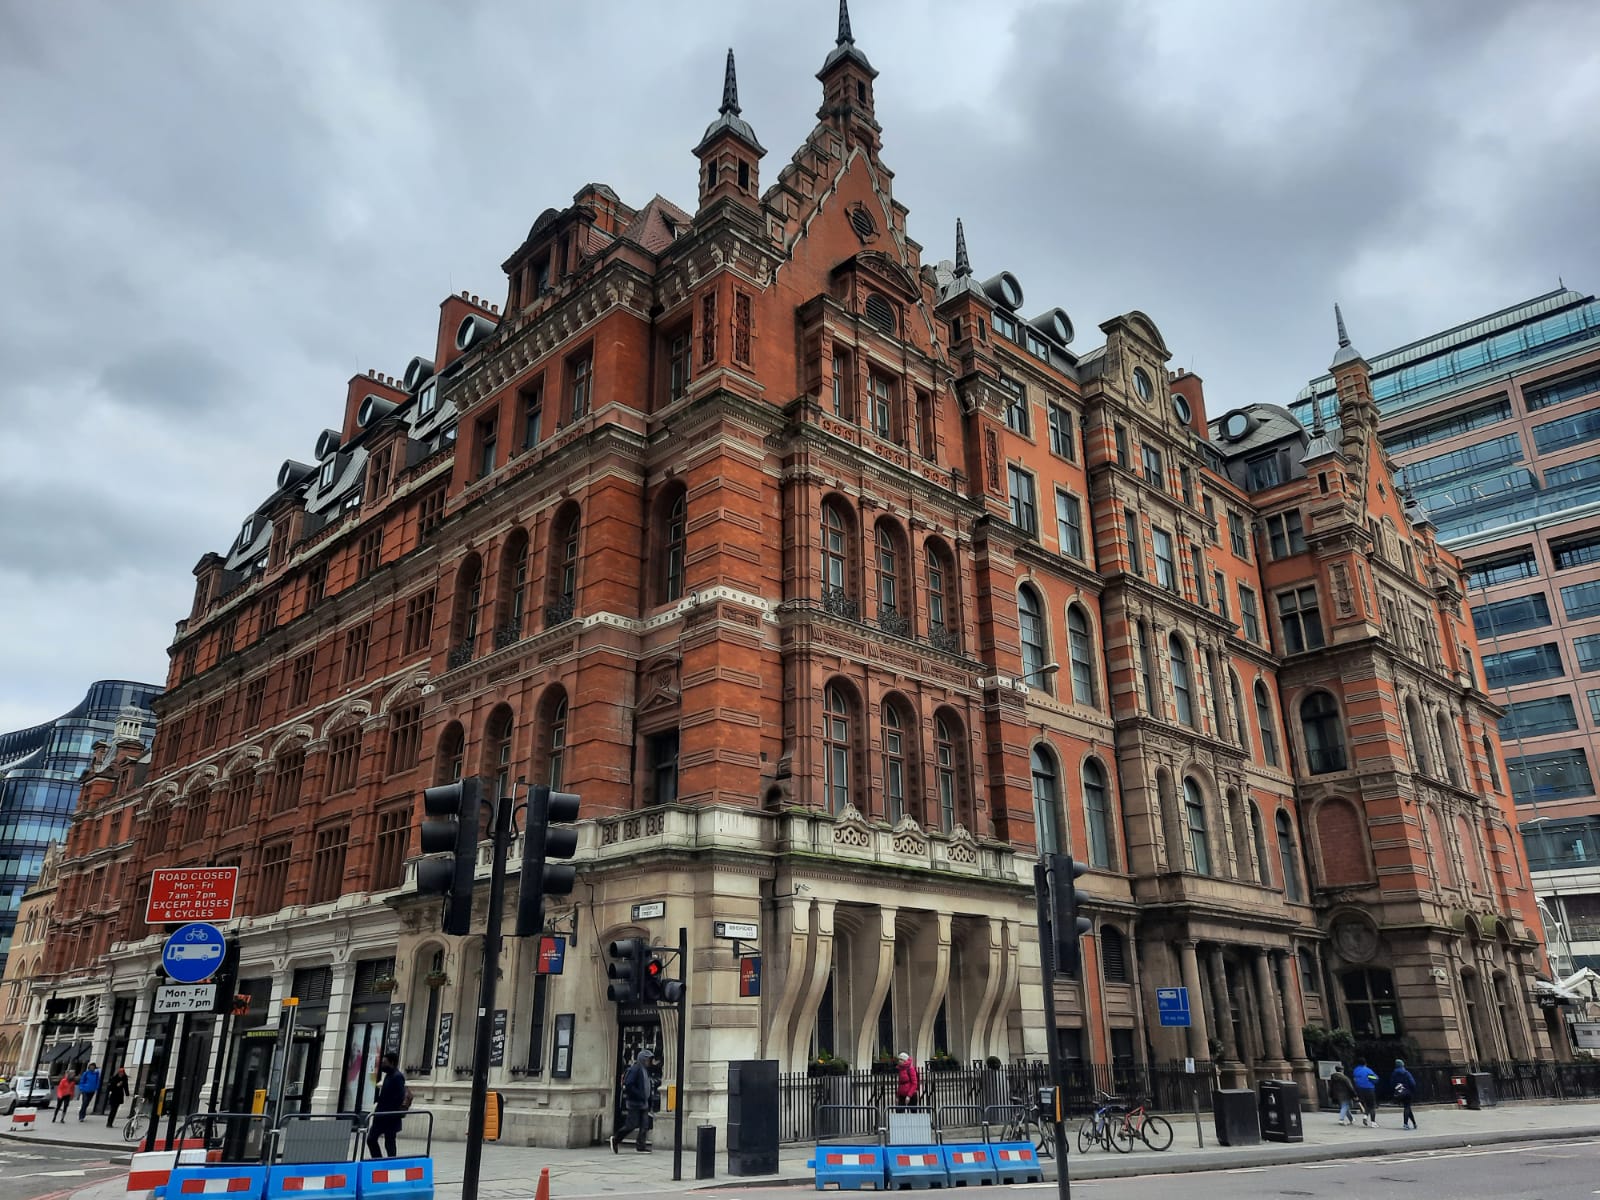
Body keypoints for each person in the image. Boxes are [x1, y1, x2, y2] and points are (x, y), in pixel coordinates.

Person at [611, 1049, 656, 1153]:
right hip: (635, 1103)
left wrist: (648, 1099)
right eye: (648, 1059)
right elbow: (629, 1084)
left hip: (643, 1103)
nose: (649, 1062)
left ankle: (641, 1146)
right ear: (643, 1059)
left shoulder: (645, 1070)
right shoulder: (635, 1069)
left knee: (645, 1125)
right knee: (631, 1124)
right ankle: (616, 1139)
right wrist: (639, 1095)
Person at [366, 1053, 407, 1159]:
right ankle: (379, 1160)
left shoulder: (397, 1077)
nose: (382, 1065)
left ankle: (389, 1162)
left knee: (388, 1141)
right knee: (373, 1139)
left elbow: (399, 1097)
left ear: (392, 1063)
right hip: (382, 1114)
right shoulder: (389, 1075)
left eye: (385, 1063)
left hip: (389, 1115)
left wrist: (390, 1110)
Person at [1390, 1059, 1418, 1130]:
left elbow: (1392, 1083)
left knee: (1407, 1107)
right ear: (1402, 1065)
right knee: (1407, 1107)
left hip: (1399, 1092)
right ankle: (1405, 1124)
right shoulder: (1406, 1073)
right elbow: (1412, 1083)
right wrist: (1413, 1090)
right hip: (1407, 1091)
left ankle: (1414, 1123)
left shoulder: (1394, 1073)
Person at [1352, 1058, 1379, 1126]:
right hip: (1369, 1088)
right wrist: (1374, 1078)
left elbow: (1355, 1079)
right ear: (1365, 1063)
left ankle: (1365, 1117)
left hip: (1359, 1089)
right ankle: (1373, 1122)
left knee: (1367, 1104)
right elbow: (1374, 1078)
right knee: (1372, 1105)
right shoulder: (1367, 1070)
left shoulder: (1355, 1070)